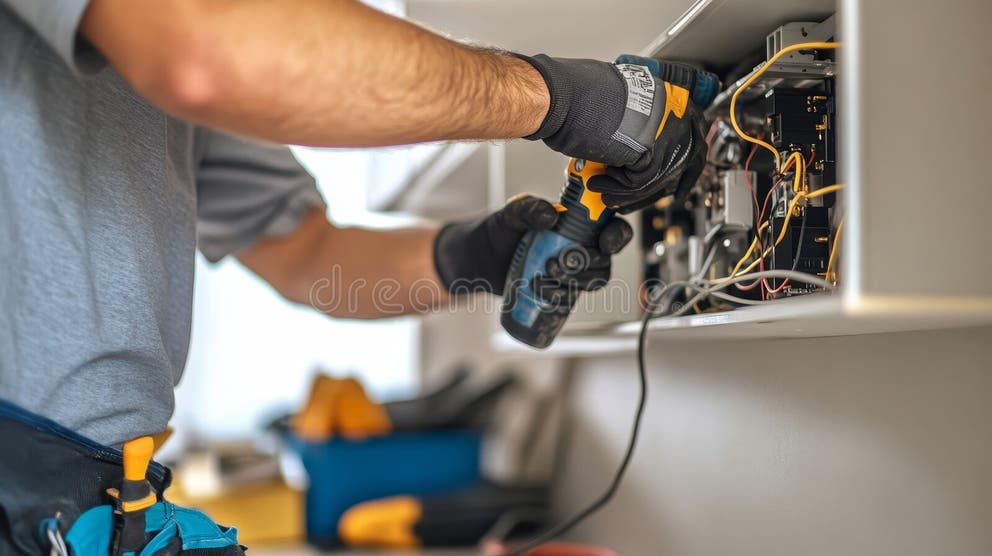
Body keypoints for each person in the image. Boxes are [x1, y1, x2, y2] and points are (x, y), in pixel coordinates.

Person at [0, 0, 706, 552]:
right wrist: (560, 100)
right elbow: (201, 51)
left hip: (96, 509)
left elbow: (306, 251)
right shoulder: (191, 32)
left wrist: (474, 257)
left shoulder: (181, 85)